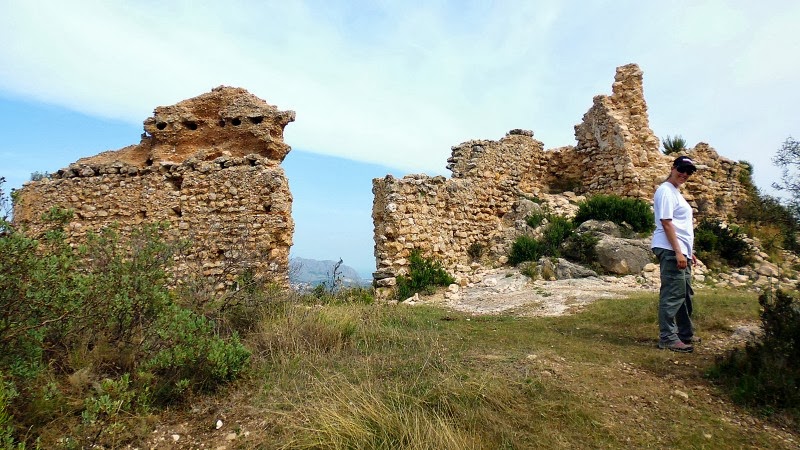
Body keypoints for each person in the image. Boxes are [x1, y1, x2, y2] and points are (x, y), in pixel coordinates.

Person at [651, 156, 698, 353]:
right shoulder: (666, 191)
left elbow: (679, 225)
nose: (685, 174)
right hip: (671, 250)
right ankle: (668, 337)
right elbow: (666, 222)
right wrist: (679, 252)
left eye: (689, 171)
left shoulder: (675, 192)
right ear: (673, 168)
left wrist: (688, 252)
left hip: (679, 251)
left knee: (684, 294)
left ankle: (684, 333)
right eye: (681, 169)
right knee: (673, 294)